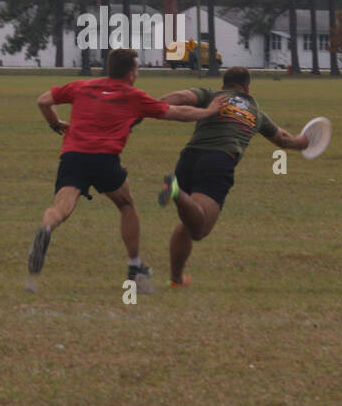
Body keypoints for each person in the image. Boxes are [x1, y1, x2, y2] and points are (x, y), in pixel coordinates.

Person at [29, 48, 226, 291]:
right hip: (104, 160)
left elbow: (43, 100)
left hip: (72, 157)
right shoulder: (133, 96)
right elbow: (177, 113)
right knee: (125, 205)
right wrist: (209, 111)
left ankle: (46, 228)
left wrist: (55, 123)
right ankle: (134, 266)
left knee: (62, 207)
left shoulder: (81, 86)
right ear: (131, 73)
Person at [156, 66, 310, 286]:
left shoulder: (212, 95)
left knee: (187, 224)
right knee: (199, 230)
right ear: (247, 87)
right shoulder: (256, 112)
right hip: (218, 162)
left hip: (188, 159)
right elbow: (283, 139)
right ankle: (175, 192)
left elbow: (181, 97)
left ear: (223, 85)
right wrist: (303, 142)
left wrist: (151, 105)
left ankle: (176, 279)